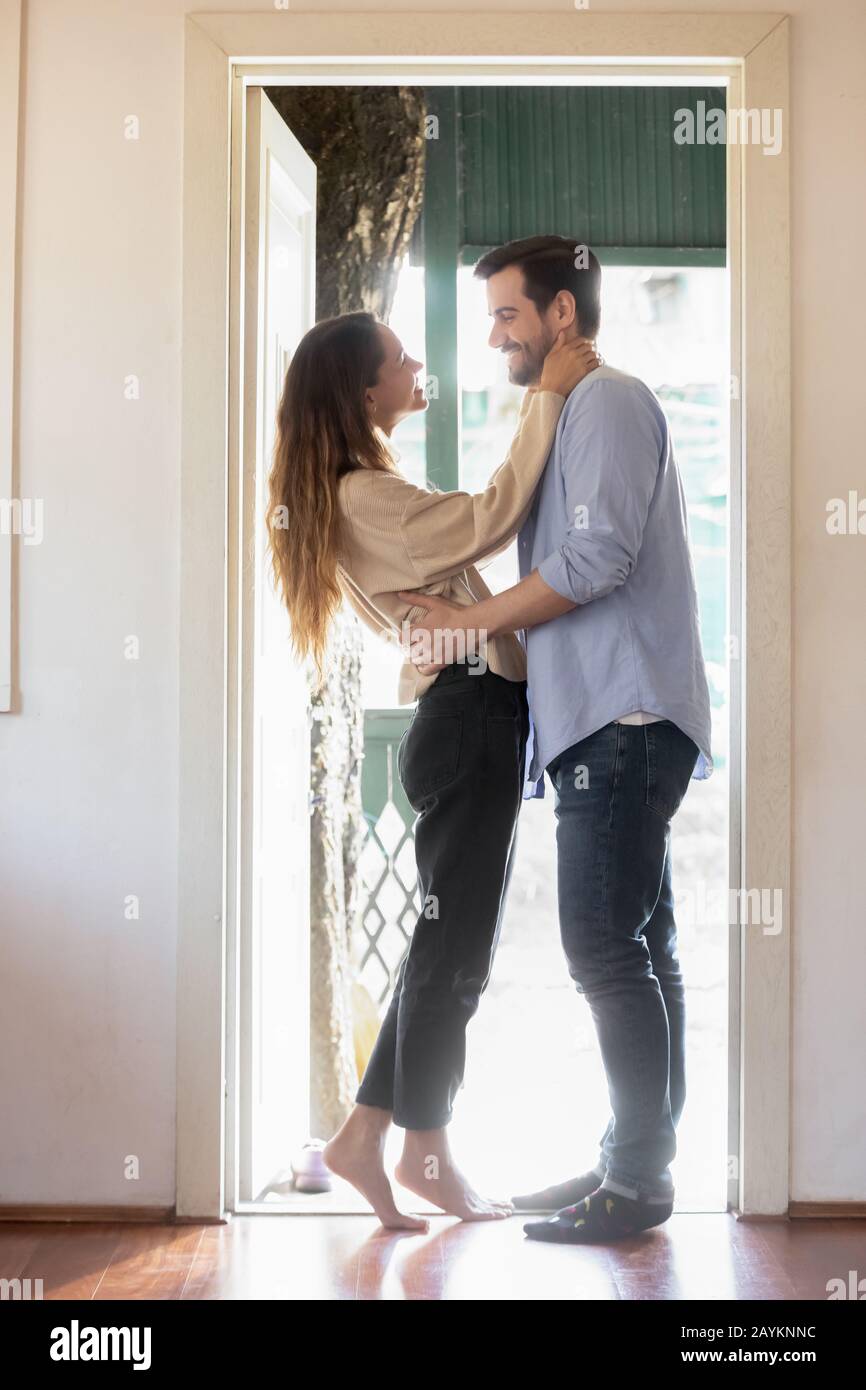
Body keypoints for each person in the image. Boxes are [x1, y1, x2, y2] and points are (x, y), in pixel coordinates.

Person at [403, 235, 714, 1244]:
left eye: (505, 315)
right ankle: (632, 1164)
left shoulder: (607, 402)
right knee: (640, 945)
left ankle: (633, 1181)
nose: (492, 334)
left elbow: (596, 558)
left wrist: (465, 623)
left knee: (598, 945)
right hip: (609, 719)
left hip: (621, 718)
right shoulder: (570, 411)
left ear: (561, 316)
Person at [265, 309, 600, 1228]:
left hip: (464, 720)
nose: (422, 364)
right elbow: (493, 516)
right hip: (467, 722)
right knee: (455, 953)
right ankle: (426, 1149)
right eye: (402, 358)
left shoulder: (362, 490)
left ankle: (364, 1140)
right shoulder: (365, 495)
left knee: (443, 948)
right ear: (363, 391)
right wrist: (549, 395)